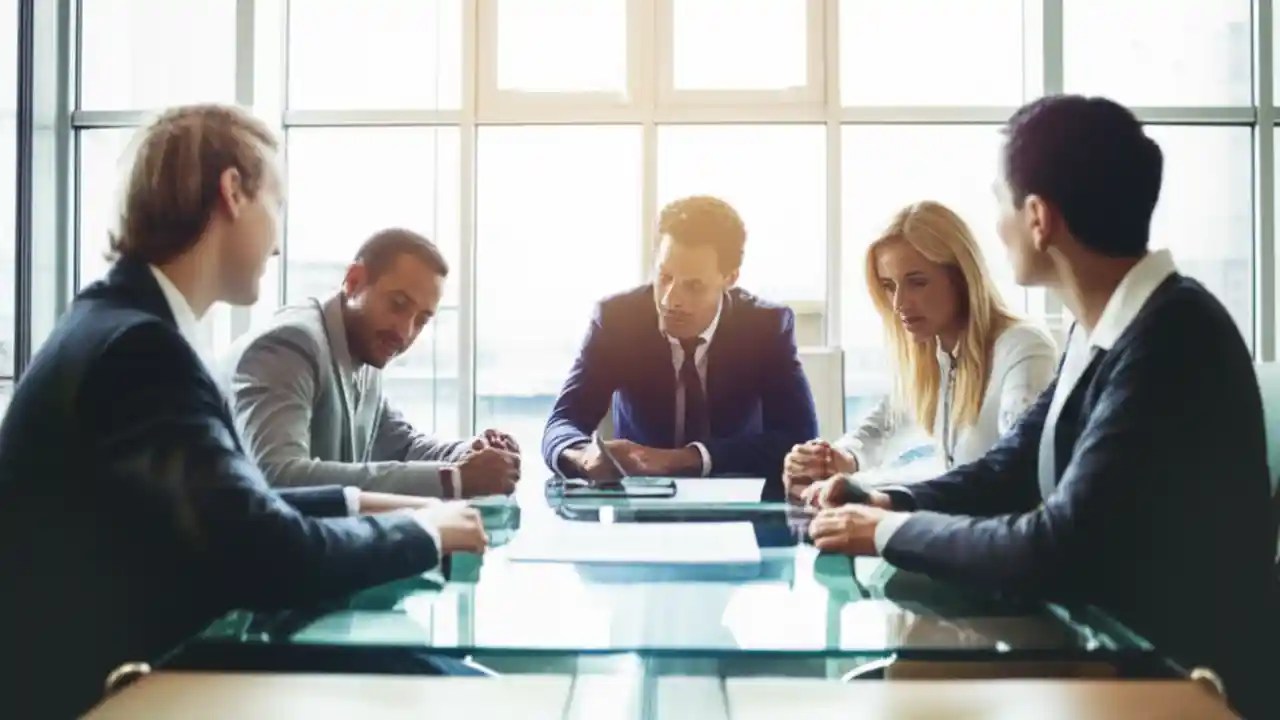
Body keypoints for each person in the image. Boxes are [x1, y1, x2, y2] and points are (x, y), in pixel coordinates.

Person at [0, 105, 488, 718]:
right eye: (276, 207)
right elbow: (267, 551)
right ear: (232, 192)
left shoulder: (116, 324)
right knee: (453, 691)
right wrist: (421, 534)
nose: (279, 242)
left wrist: (384, 505)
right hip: (107, 693)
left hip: (130, 669)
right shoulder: (141, 348)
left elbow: (232, 509)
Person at [807, 95, 1275, 718]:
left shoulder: (1172, 337)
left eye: (1000, 201)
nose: (995, 226)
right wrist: (890, 501)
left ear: (1037, 218)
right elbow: (1012, 465)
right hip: (1103, 646)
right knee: (894, 685)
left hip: (1175, 681)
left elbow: (1058, 544)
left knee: (904, 691)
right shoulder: (1102, 329)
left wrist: (888, 532)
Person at [785, 201, 1056, 501]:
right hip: (958, 534)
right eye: (889, 286)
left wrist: (883, 498)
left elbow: (1016, 471)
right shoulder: (936, 354)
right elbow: (882, 427)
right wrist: (838, 458)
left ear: (962, 277)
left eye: (917, 282)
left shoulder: (1023, 348)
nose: (899, 303)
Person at [221, 228, 521, 499]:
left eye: (421, 320)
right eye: (398, 304)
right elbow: (279, 476)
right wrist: (453, 480)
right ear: (353, 282)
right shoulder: (291, 345)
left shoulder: (365, 349)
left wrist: (470, 453)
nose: (405, 332)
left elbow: (402, 447)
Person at [542, 195, 819, 485]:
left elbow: (799, 439)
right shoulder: (618, 320)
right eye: (664, 276)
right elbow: (561, 424)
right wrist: (583, 457)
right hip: (641, 504)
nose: (670, 299)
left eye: (694, 286)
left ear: (730, 278)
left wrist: (676, 460)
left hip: (736, 499)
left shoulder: (765, 327)